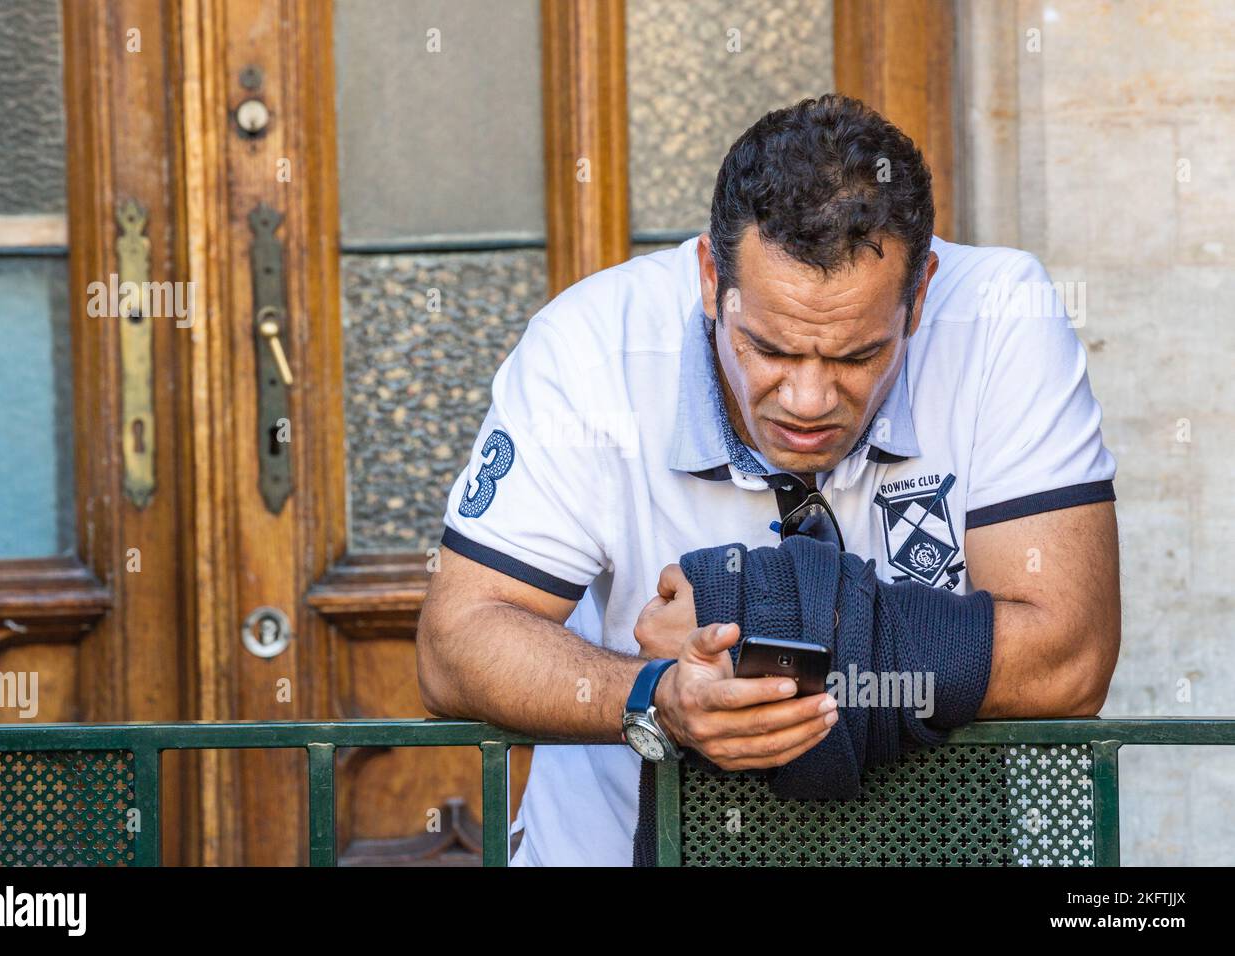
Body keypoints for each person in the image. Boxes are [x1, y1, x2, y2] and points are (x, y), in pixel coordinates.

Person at [416, 93, 1121, 867]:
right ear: (710, 275)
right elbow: (455, 645)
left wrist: (737, 624)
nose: (809, 400)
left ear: (920, 297)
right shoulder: (588, 350)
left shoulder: (1002, 318)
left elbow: (1070, 660)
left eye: (857, 356)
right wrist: (658, 697)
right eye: (770, 349)